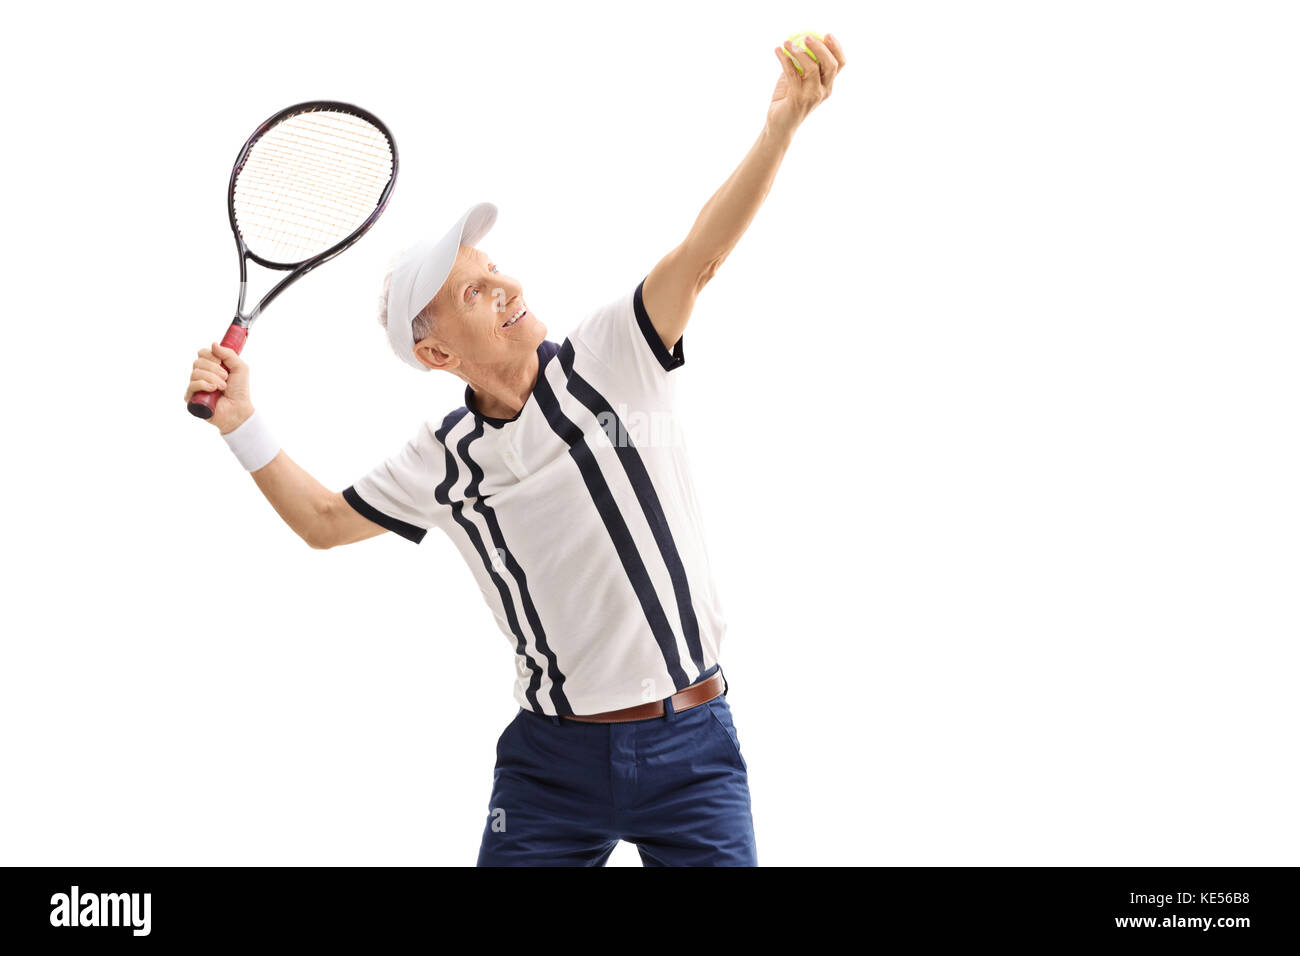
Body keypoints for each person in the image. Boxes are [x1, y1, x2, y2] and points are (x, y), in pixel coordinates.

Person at [184, 33, 846, 866]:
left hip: (694, 748)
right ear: (435, 354)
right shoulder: (442, 458)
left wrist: (781, 126)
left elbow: (700, 257)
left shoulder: (615, 353)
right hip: (553, 767)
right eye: (474, 290)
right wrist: (241, 421)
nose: (507, 288)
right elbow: (322, 521)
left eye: (496, 268)